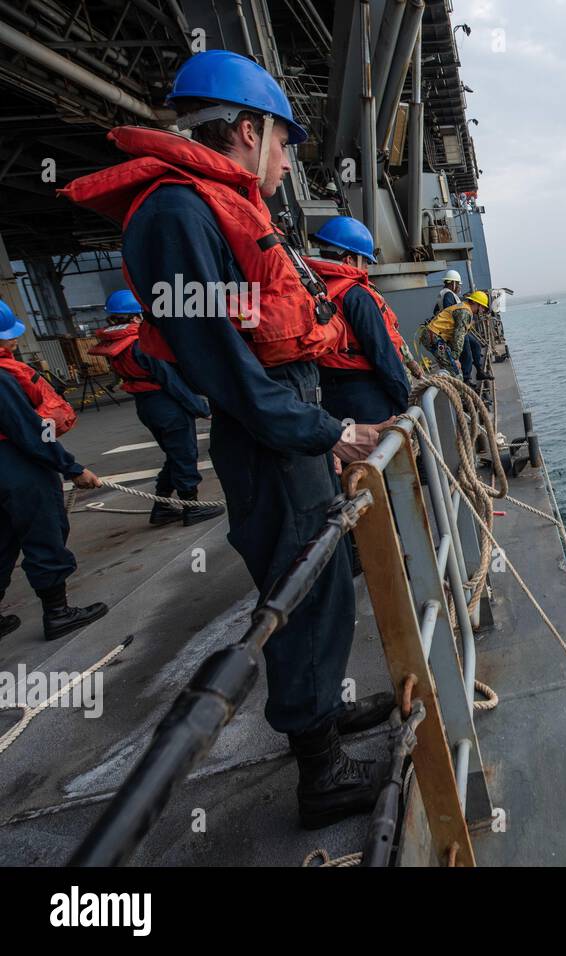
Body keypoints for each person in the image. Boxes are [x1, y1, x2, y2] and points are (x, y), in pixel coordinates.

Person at [61, 50, 392, 829]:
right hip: (271, 434)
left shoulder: (209, 205)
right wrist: (328, 430)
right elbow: (225, 368)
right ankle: (321, 772)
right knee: (300, 584)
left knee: (319, 584)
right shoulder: (178, 213)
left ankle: (321, 716)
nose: (285, 160)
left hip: (286, 423)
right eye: (282, 142)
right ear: (247, 130)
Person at [0, 299, 108, 642]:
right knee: (43, 534)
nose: (14, 341)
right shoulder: (3, 379)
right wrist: (70, 467)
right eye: (6, 336)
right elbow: (31, 433)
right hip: (18, 467)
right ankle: (58, 614)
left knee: (2, 541)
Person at [89, 290, 224, 527]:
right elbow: (170, 380)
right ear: (136, 316)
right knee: (184, 456)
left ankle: (161, 506)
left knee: (174, 457)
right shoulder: (142, 344)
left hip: (146, 406)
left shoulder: (117, 345)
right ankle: (191, 507)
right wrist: (201, 408)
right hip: (167, 406)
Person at [309, 217, 413, 424]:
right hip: (366, 397)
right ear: (349, 260)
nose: (366, 269)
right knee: (381, 452)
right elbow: (382, 353)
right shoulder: (356, 295)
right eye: (364, 261)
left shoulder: (312, 290)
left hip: (328, 396)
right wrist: (406, 400)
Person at [421, 290, 491, 381]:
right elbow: (459, 336)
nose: (483, 310)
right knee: (455, 371)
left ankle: (453, 388)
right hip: (433, 337)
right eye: (483, 307)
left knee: (448, 366)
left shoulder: (464, 307)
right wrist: (455, 358)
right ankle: (461, 393)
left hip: (433, 335)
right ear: (475, 303)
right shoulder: (465, 312)